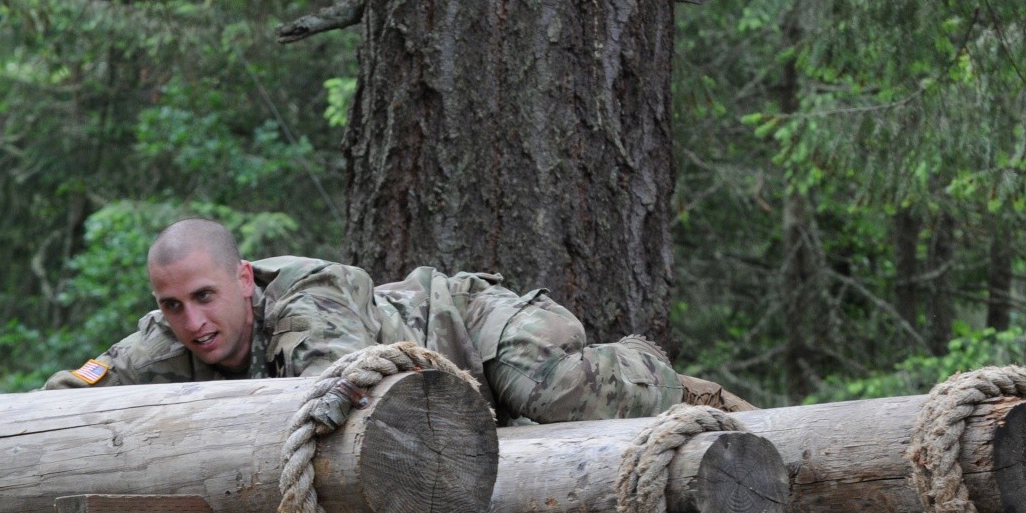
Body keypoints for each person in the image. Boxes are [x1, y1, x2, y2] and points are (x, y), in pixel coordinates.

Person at [44, 218, 750, 419]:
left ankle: (657, 376)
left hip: (474, 326)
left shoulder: (305, 303)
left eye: (204, 297)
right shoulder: (166, 339)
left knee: (539, 392)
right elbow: (61, 401)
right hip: (437, 394)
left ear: (242, 279)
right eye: (172, 306)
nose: (192, 322)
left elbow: (340, 390)